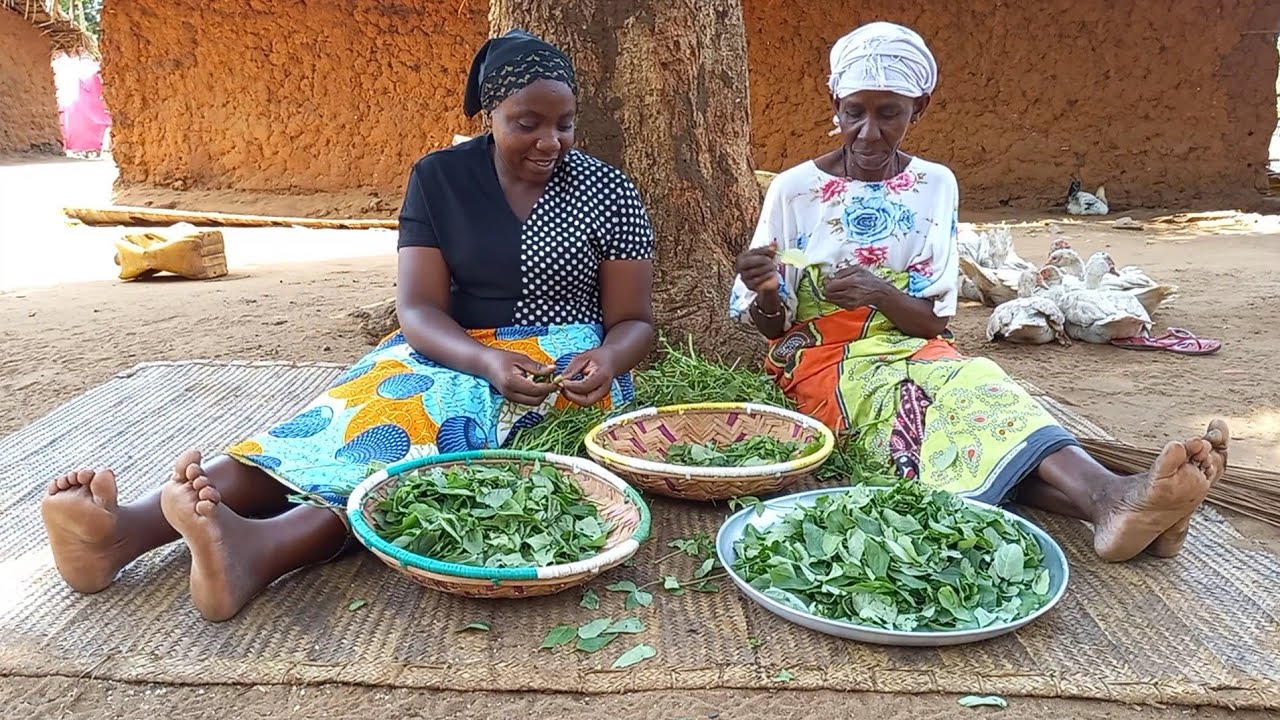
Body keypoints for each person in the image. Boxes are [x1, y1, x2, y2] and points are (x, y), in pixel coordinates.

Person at [39, 29, 657, 621]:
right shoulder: (439, 179)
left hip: (566, 370)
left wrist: (606, 360)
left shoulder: (609, 189)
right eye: (528, 124)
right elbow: (417, 310)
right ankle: (125, 533)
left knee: (434, 436)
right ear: (491, 114)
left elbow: (634, 322)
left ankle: (262, 551)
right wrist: (486, 359)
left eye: (564, 124)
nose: (550, 141)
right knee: (349, 413)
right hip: (450, 345)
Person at [729, 21, 1228, 563]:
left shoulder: (934, 185)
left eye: (889, 112)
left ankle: (1121, 507)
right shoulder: (794, 189)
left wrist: (876, 292)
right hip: (820, 361)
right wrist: (770, 295)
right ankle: (1118, 500)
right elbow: (773, 328)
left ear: (918, 108)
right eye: (855, 111)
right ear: (835, 103)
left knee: (976, 381)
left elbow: (932, 323)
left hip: (914, 342)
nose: (868, 132)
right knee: (911, 421)